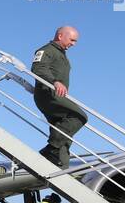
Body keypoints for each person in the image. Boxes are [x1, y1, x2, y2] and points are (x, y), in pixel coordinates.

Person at [31, 26, 86, 168]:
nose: (73, 44)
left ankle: (60, 171)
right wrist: (54, 82)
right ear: (60, 36)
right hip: (48, 95)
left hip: (56, 96)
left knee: (65, 139)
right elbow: (38, 69)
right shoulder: (46, 50)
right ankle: (51, 148)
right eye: (72, 40)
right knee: (79, 116)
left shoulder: (61, 54)